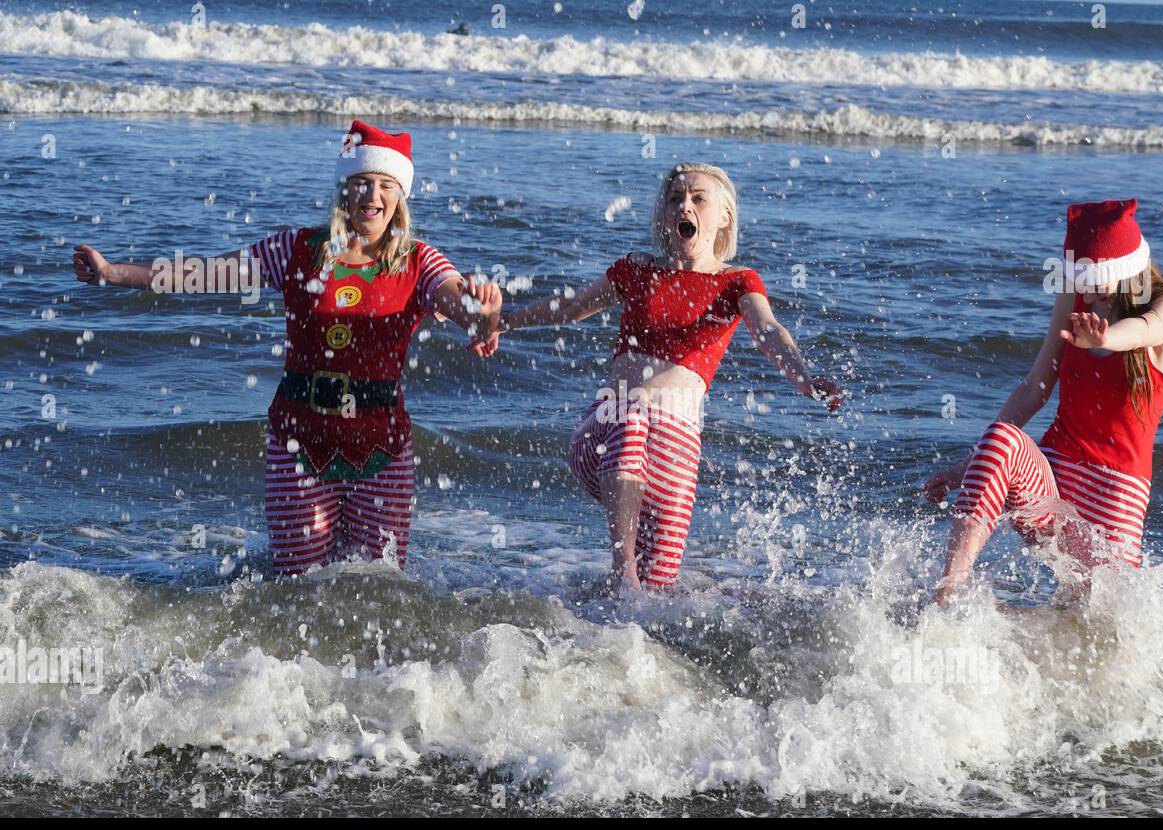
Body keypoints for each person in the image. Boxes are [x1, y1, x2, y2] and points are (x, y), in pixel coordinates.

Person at [72, 119, 501, 576]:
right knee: (294, 587)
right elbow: (204, 273)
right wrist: (113, 274)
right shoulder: (296, 250)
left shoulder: (419, 260)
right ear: (344, 189)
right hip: (298, 442)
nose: (372, 197)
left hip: (382, 451)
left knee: (379, 590)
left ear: (400, 197)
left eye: (384, 185)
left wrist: (483, 314)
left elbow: (457, 301)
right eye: (362, 183)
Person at [488, 162, 844, 591]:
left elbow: (769, 332)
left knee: (654, 599)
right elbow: (572, 306)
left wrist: (806, 379)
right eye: (675, 198)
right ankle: (624, 568)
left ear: (724, 218)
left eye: (698, 198)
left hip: (675, 450)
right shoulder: (638, 269)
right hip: (605, 434)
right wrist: (504, 321)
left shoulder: (737, 282)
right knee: (634, 412)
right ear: (663, 216)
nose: (685, 205)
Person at [923, 198, 1163, 607]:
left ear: (1125, 271)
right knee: (1001, 438)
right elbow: (1035, 386)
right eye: (1080, 279)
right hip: (1053, 482)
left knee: (1087, 618)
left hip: (1112, 507)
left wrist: (1106, 340)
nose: (1087, 292)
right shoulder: (1077, 297)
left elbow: (1145, 329)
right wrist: (973, 465)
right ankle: (947, 597)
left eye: (1096, 281)